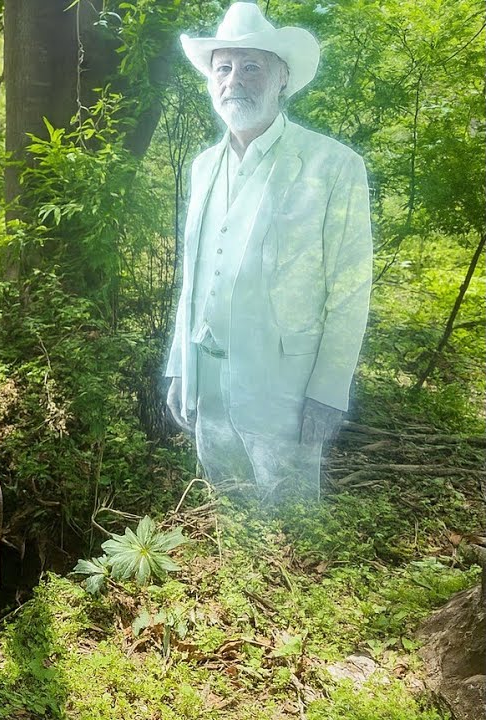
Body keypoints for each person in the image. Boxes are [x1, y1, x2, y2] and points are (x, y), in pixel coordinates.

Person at [166, 2, 373, 501]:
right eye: (224, 67)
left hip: (286, 391)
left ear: (282, 78)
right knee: (225, 520)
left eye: (252, 66)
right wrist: (179, 367)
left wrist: (329, 390)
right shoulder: (202, 166)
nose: (234, 79)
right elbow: (193, 275)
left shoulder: (332, 165)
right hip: (208, 383)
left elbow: (350, 287)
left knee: (290, 532)